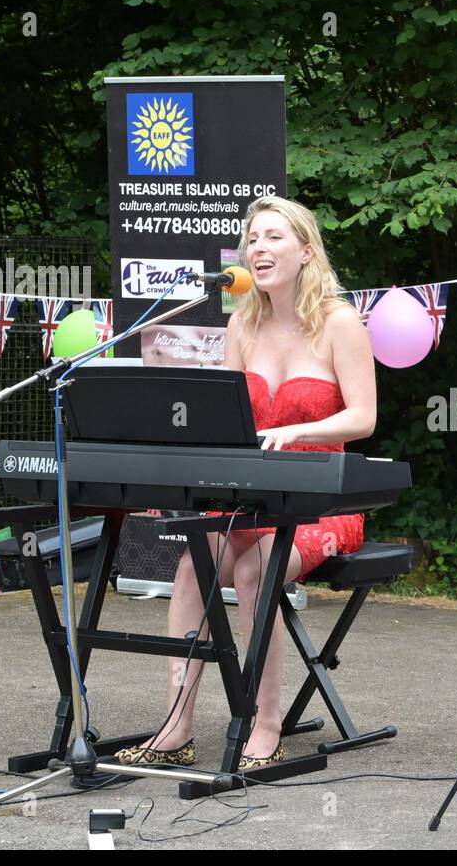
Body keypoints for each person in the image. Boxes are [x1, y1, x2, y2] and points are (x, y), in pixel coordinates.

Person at [117, 196, 376, 771]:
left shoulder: (339, 321)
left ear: (307, 250)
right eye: (252, 239)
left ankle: (264, 725)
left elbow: (363, 417)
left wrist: (299, 432)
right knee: (194, 564)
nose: (258, 248)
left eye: (273, 238)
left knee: (257, 569)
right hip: (252, 498)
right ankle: (176, 726)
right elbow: (232, 422)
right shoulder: (242, 323)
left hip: (320, 503)